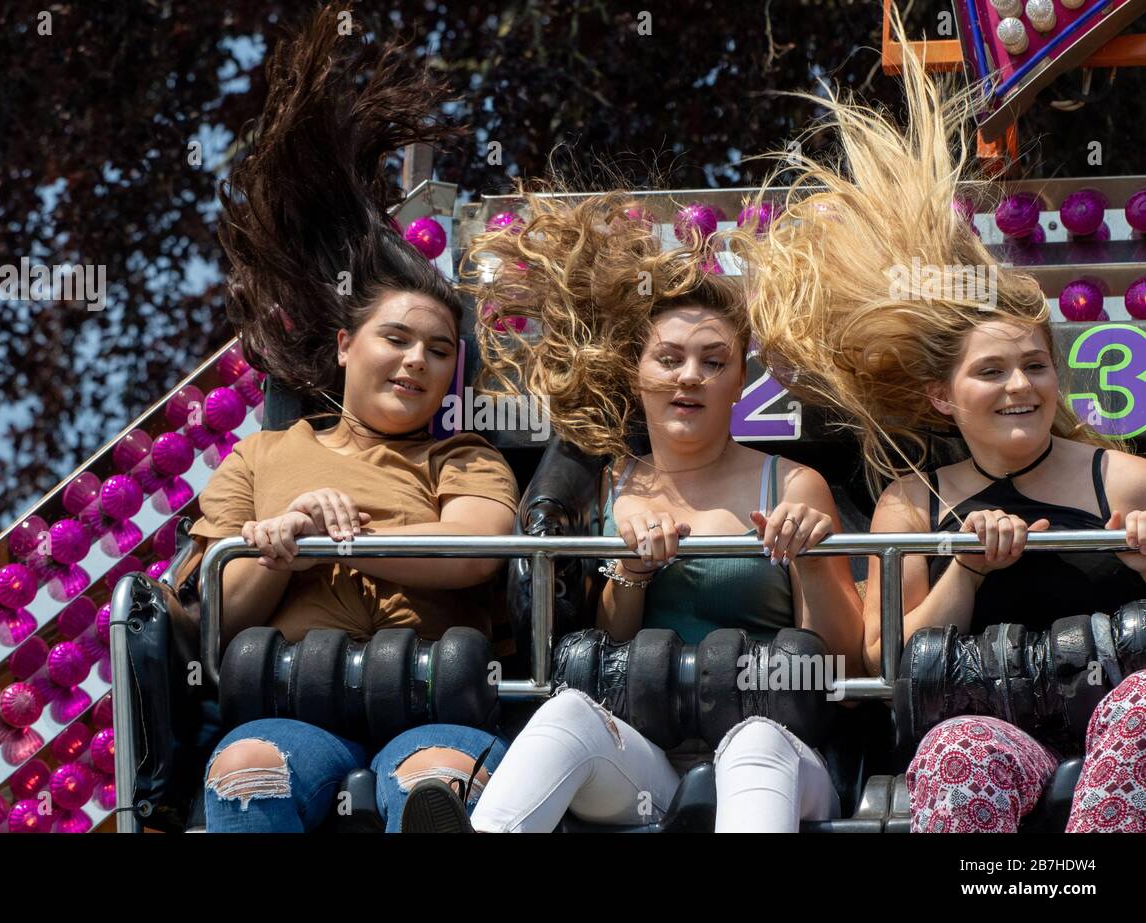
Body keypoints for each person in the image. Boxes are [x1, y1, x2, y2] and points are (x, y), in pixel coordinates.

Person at [734, 25, 1146, 833]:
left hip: (1117, 720)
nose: (1020, 385)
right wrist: (966, 573)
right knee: (958, 748)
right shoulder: (912, 501)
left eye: (1034, 366)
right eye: (991, 372)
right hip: (989, 724)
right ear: (942, 398)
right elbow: (887, 659)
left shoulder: (1120, 476)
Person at [402, 187, 863, 832]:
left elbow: (845, 667)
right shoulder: (608, 483)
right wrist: (632, 574)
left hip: (784, 753)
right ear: (636, 373)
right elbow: (609, 656)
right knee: (566, 714)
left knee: (754, 744)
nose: (689, 377)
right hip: (656, 763)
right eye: (668, 359)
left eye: (713, 362)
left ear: (740, 382)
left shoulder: (793, 484)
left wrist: (811, 560)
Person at [176, 6, 518, 833]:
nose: (415, 362)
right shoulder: (261, 454)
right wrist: (281, 537)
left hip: (435, 695)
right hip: (288, 699)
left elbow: (474, 554)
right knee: (251, 773)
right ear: (342, 345)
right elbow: (204, 606)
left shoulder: (465, 457)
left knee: (441, 780)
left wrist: (346, 535)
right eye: (395, 339)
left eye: (439, 351)